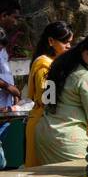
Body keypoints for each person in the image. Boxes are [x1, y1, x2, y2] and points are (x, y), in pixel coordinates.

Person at [34, 36, 88, 164]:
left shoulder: (58, 67)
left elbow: (48, 102)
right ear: (81, 51)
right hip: (69, 140)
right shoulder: (86, 77)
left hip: (44, 133)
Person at [23, 21, 73, 166]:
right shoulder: (45, 66)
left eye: (70, 42)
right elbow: (48, 97)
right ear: (51, 41)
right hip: (41, 122)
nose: (69, 46)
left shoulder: (53, 63)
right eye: (65, 42)